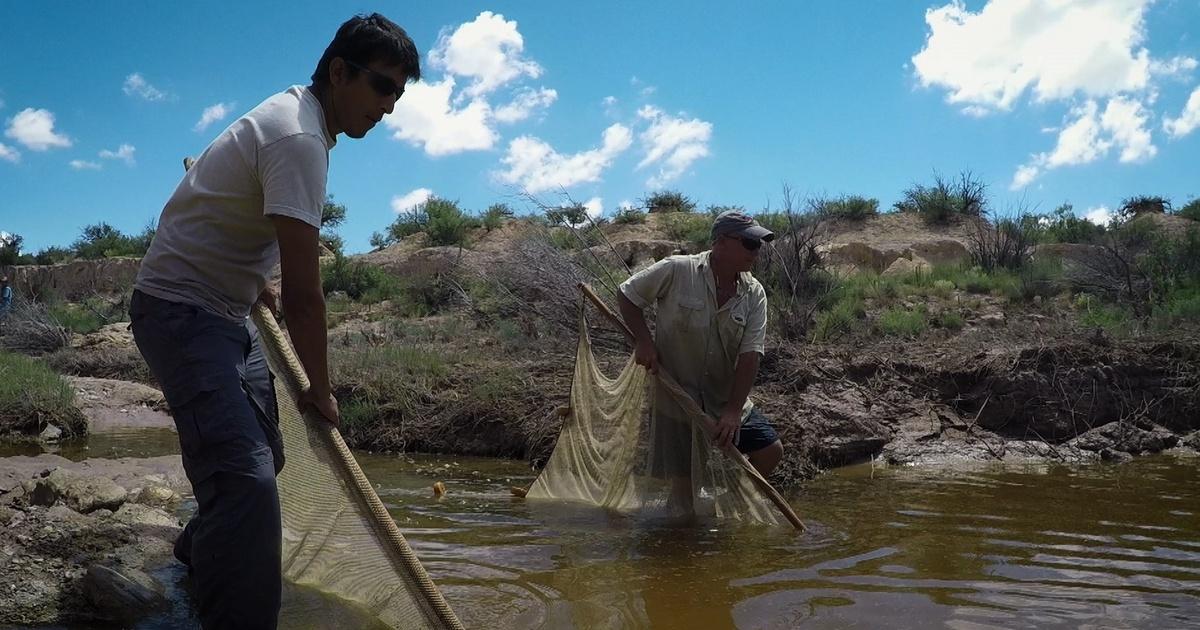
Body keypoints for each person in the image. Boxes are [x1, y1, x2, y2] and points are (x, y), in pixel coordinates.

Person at [128, 14, 419, 629]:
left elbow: (237, 227)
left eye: (399, 93)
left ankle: (194, 555)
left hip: (228, 311)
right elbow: (307, 301)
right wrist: (321, 388)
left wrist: (254, 280)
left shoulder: (300, 121)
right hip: (180, 312)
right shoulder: (299, 140)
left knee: (270, 457)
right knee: (247, 484)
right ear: (339, 72)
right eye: (382, 87)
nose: (389, 107)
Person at [617, 210, 784, 503]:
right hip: (676, 398)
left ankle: (728, 507)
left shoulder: (754, 293)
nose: (756, 252)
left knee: (771, 451)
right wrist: (644, 342)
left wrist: (732, 411)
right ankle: (682, 536)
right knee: (684, 492)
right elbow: (628, 295)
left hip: (724, 402)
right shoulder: (676, 270)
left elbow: (750, 355)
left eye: (758, 245)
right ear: (721, 242)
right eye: (749, 244)